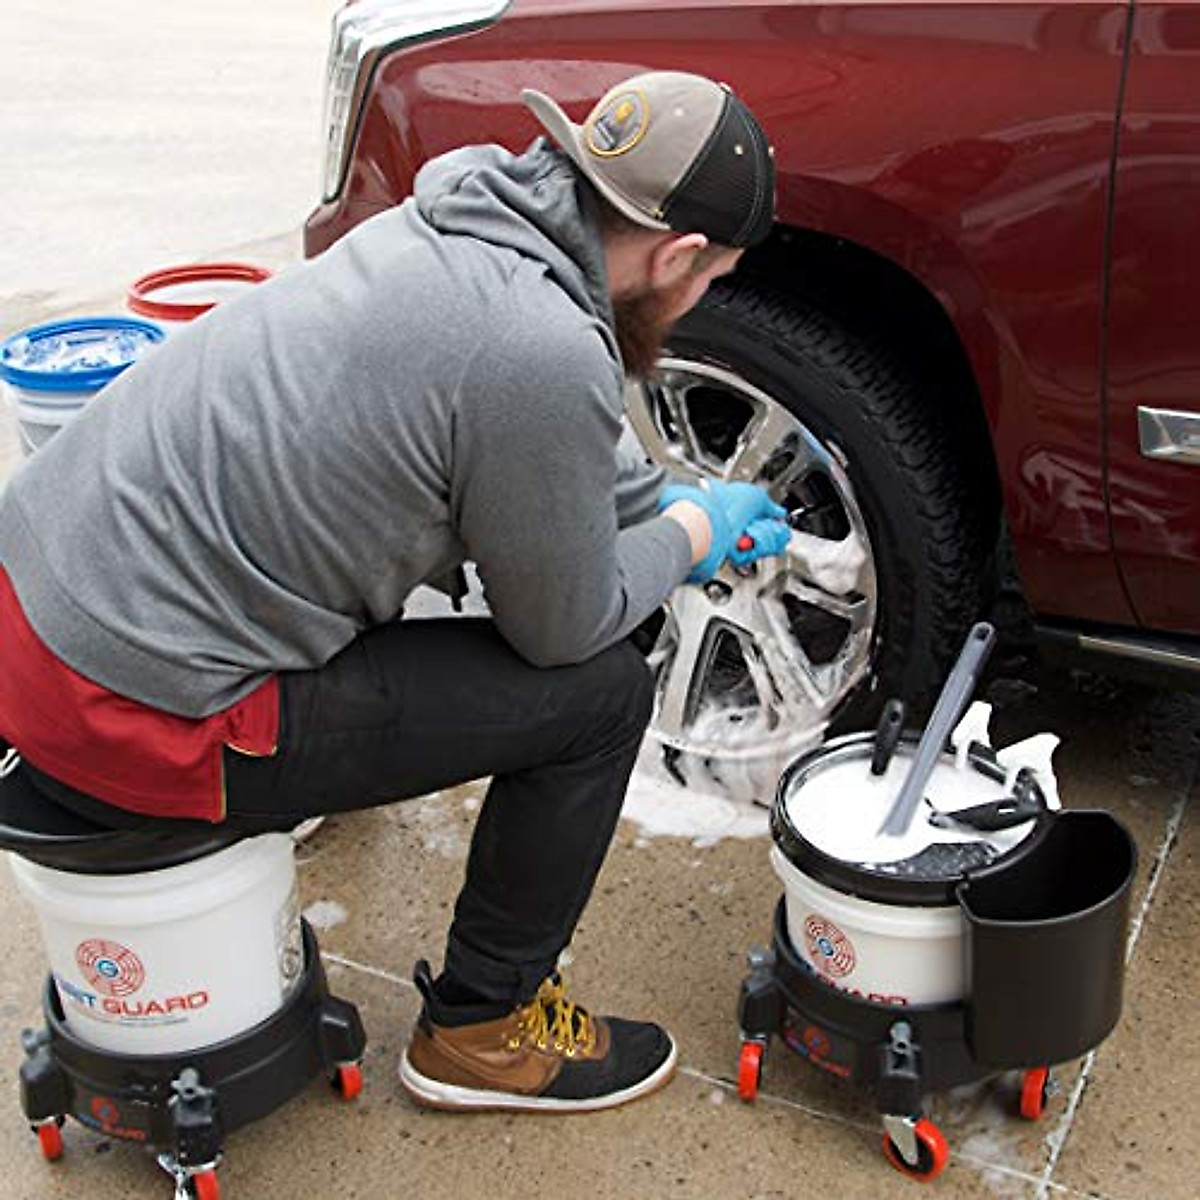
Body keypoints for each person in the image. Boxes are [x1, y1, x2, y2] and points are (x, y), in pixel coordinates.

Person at [0, 70, 787, 1113]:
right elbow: (565, 626)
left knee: (418, 579)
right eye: (710, 280)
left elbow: (540, 456)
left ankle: (306, 790)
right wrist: (693, 531)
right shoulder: (536, 348)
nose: (699, 301)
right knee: (598, 698)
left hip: (38, 603)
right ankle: (484, 1028)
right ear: (681, 256)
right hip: (127, 715)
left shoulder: (457, 219)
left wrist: (655, 497)